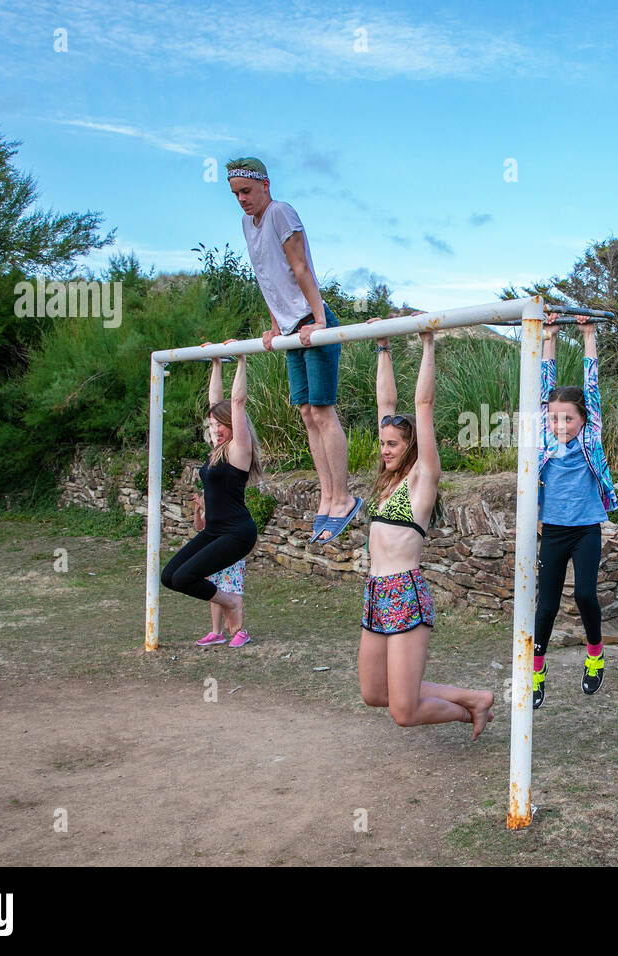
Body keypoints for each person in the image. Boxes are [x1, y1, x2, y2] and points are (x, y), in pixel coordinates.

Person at [358, 325, 494, 739]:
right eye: (383, 443)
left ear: (411, 446)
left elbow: (423, 403)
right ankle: (474, 699)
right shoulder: (387, 483)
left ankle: (470, 707)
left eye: (393, 444)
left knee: (404, 711)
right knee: (374, 693)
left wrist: (427, 343)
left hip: (403, 590)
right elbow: (386, 401)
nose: (385, 450)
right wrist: (382, 345)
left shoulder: (422, 479)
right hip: (376, 591)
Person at [226, 156, 360, 543]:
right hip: (288, 329)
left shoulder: (281, 212)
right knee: (305, 412)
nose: (242, 199)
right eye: (235, 194)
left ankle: (344, 496)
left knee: (322, 409)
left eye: (247, 191)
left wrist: (318, 320)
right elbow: (266, 278)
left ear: (265, 185)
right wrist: (274, 326)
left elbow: (300, 267)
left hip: (312, 321)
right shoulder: (246, 226)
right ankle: (327, 494)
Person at [533, 315, 618, 708]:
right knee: (547, 604)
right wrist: (549, 337)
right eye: (554, 417)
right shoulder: (543, 435)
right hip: (552, 530)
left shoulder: (590, 434)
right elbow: (543, 388)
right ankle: (537, 671)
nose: (560, 423)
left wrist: (588, 335)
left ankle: (595, 655)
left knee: (585, 594)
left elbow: (592, 384)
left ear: (584, 418)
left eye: (568, 417)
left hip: (585, 528)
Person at [161, 353, 260, 644]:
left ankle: (231, 604)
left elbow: (237, 403)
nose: (215, 430)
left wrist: (241, 361)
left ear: (234, 425)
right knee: (169, 577)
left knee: (183, 578)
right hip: (214, 531)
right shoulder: (217, 449)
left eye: (221, 425)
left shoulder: (239, 449)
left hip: (237, 532)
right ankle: (229, 604)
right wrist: (216, 363)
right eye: (212, 424)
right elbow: (215, 403)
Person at [191, 490, 247, 647]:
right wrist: (197, 511)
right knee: (214, 593)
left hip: (231, 558)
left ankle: (240, 632)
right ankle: (216, 633)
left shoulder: (228, 507)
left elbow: (218, 524)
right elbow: (199, 527)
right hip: (215, 558)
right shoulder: (211, 510)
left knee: (231, 593)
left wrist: (206, 509)